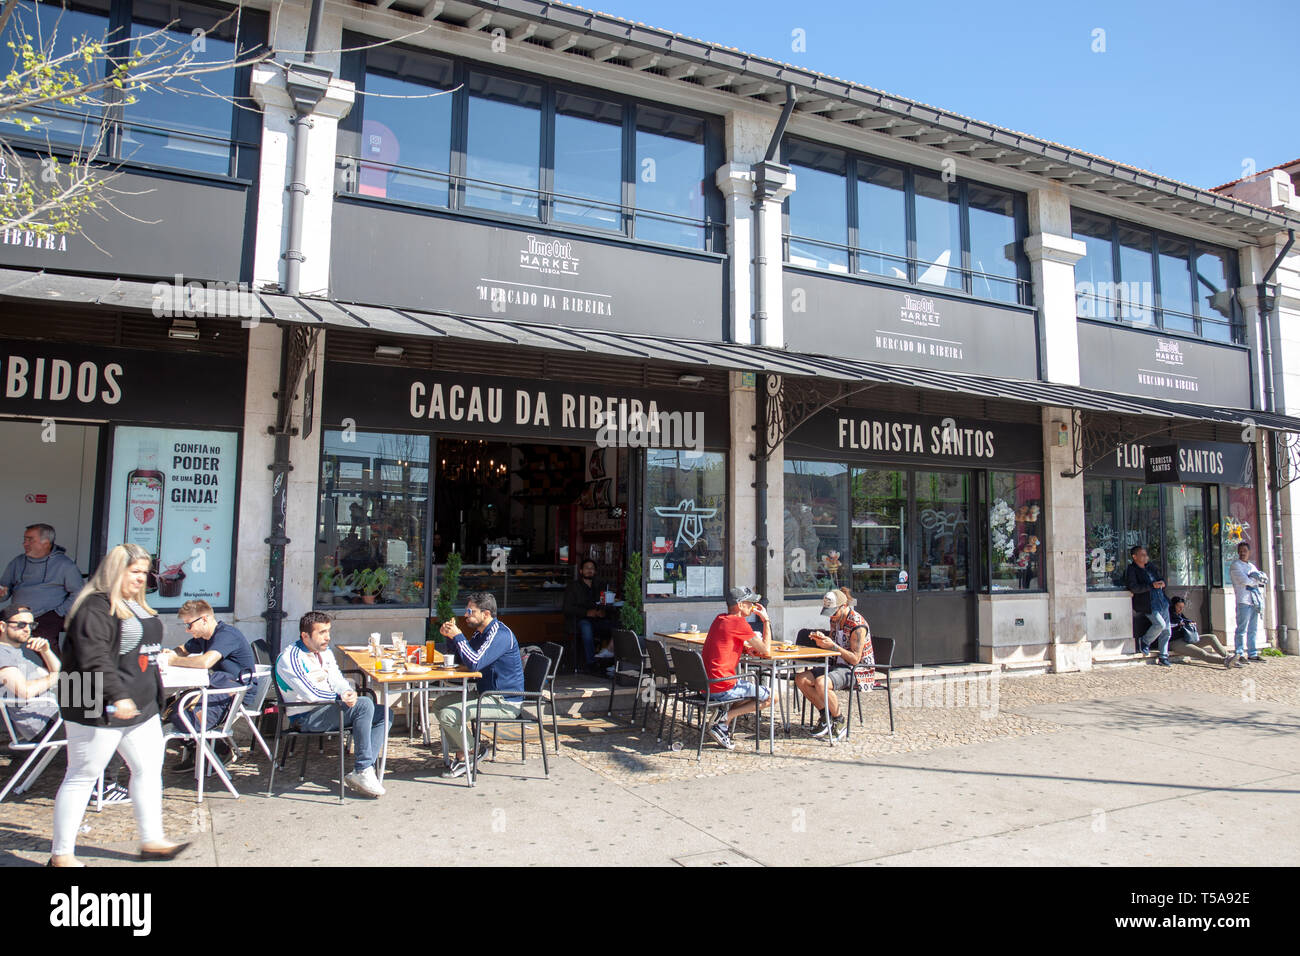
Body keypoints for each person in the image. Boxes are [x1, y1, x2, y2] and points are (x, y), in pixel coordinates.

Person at [49, 543, 187, 866]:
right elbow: (92, 656)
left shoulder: (133, 605)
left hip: (137, 703)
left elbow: (142, 654)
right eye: (134, 572)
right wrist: (117, 695)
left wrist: (153, 695)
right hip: (91, 698)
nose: (142, 579)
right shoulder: (93, 607)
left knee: (149, 769)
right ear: (115, 570)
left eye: (145, 572)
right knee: (82, 775)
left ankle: (152, 840)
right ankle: (61, 856)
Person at [275, 611, 389, 798]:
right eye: (321, 632)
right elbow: (310, 694)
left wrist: (346, 691)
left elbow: (336, 678)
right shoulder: (290, 658)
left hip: (328, 708)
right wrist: (342, 698)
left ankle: (365, 768)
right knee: (364, 705)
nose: (327, 637)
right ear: (305, 635)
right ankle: (363, 770)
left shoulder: (324, 652)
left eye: (328, 631)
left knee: (384, 714)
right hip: (306, 716)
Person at [434, 591, 524, 778]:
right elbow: (463, 659)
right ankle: (463, 753)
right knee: (439, 704)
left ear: (486, 614)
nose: (466, 615)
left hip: (504, 702)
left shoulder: (499, 634)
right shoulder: (481, 633)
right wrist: (451, 638)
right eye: (467, 611)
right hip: (486, 694)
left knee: (449, 714)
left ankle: (471, 753)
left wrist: (458, 636)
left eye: (471, 611)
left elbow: (474, 662)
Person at [163, 600, 256, 771]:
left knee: (180, 715)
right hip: (220, 689)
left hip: (237, 694)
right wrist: (170, 653)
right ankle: (199, 750)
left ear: (204, 619)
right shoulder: (204, 637)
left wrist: (174, 660)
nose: (187, 630)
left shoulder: (227, 635)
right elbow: (184, 649)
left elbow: (206, 661)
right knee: (167, 707)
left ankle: (217, 750)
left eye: (189, 625)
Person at [793, 588, 873, 740]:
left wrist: (832, 647)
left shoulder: (857, 625)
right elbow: (833, 642)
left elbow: (855, 659)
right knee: (801, 679)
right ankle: (825, 716)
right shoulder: (835, 620)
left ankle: (839, 720)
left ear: (843, 607)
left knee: (821, 683)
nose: (832, 617)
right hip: (836, 664)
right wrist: (822, 640)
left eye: (834, 613)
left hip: (856, 670)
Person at [700, 585, 774, 751]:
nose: (753, 606)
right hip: (723, 685)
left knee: (749, 693)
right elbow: (766, 650)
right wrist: (766, 620)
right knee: (771, 698)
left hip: (706, 684)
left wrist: (745, 647)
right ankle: (725, 718)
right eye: (750, 603)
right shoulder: (739, 622)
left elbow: (729, 641)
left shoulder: (720, 618)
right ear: (740, 605)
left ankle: (723, 725)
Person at [0, 524, 84, 643]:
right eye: (24, 539)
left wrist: (58, 612)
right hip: (18, 615)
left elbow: (79, 592)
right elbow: (5, 589)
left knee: (43, 644)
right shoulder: (18, 562)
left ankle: (55, 662)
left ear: (46, 543)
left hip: (47, 616)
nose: (25, 544)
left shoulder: (65, 565)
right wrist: (2, 593)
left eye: (30, 540)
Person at [0, 604, 61, 741]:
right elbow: (24, 691)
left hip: (54, 714)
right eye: (21, 624)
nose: (27, 629)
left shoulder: (16, 653)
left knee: (108, 713)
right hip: (43, 723)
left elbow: (59, 672)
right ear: (3, 626)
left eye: (31, 625)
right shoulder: (2, 655)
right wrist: (53, 677)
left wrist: (46, 651)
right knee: (107, 719)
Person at [1124, 545, 1172, 666]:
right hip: (1148, 603)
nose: (1146, 557)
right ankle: (1145, 641)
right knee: (1160, 624)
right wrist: (1151, 586)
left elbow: (1160, 578)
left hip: (1161, 600)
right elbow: (1134, 587)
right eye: (1143, 555)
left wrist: (1162, 582)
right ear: (1135, 557)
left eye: (1146, 554)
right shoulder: (1132, 569)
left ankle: (1163, 655)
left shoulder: (1151, 567)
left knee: (1167, 630)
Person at [563, 558, 613, 671]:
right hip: (578, 620)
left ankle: (610, 655)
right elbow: (567, 608)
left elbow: (601, 603)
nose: (589, 571)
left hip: (596, 620)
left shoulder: (598, 586)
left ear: (595, 572)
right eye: (587, 568)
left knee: (615, 625)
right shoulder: (573, 586)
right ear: (581, 571)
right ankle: (591, 662)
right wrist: (587, 613)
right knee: (586, 627)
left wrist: (601, 611)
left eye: (592, 569)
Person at [1165, 596, 1240, 669]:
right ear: (1173, 606)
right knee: (1201, 652)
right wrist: (1178, 625)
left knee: (1211, 637)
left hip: (1186, 639)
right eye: (1178, 607)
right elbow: (1166, 627)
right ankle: (1225, 661)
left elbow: (1186, 621)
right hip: (1175, 642)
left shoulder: (1180, 615)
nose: (1180, 609)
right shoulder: (1168, 614)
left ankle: (1228, 657)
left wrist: (1191, 623)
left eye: (1182, 607)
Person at [1229, 542, 1266, 663]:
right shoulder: (1236, 565)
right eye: (1240, 550)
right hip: (1243, 600)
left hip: (1254, 601)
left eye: (1245, 550)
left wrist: (1254, 579)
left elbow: (1261, 580)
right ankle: (1239, 653)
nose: (1242, 552)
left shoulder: (1251, 566)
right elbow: (1245, 580)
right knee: (1241, 628)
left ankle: (1252, 653)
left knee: (1253, 628)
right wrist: (1254, 579)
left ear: (1249, 552)